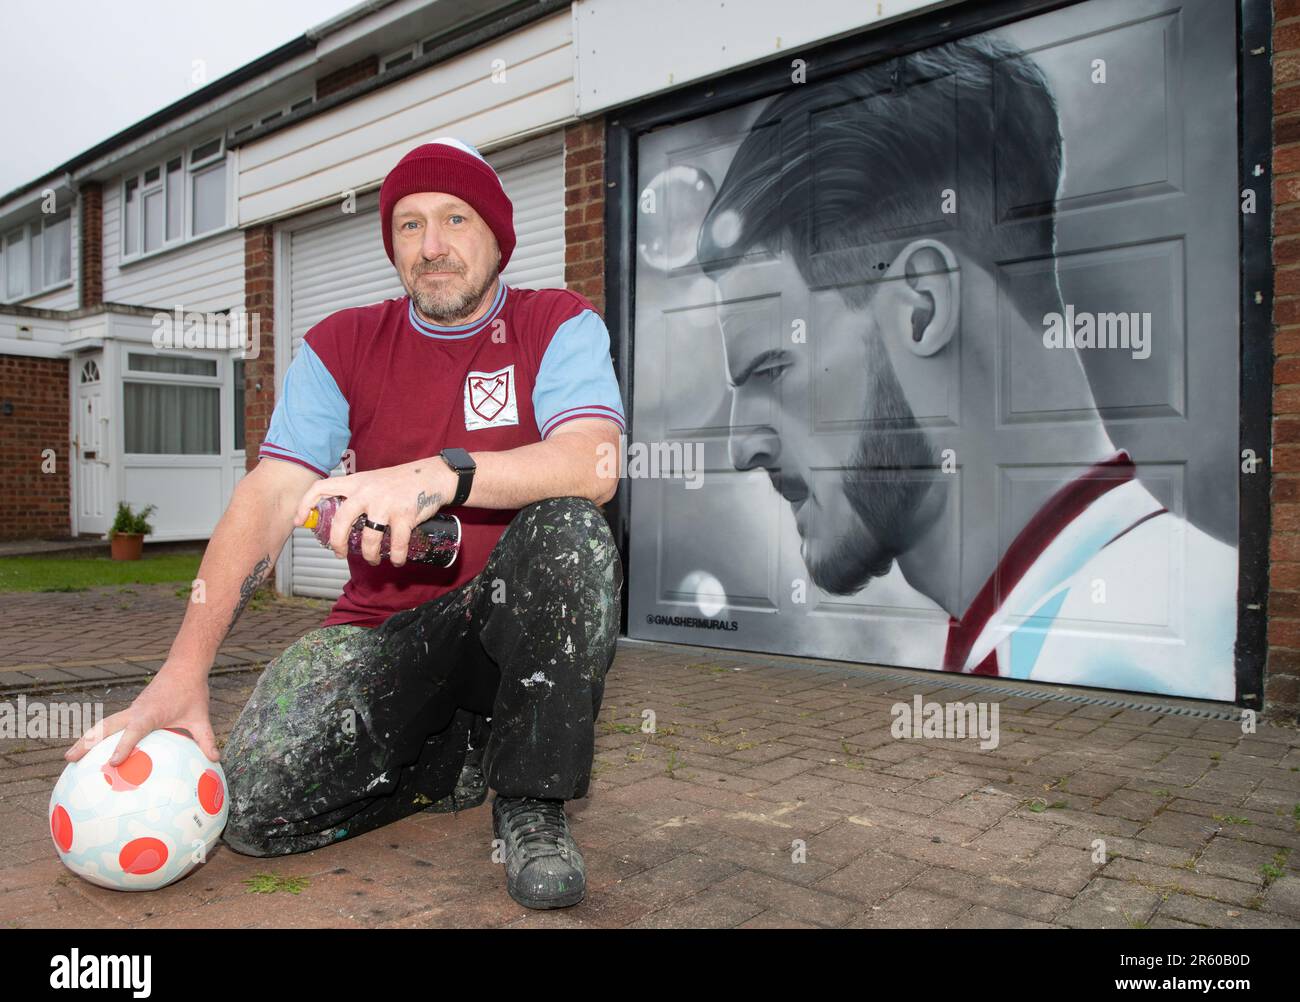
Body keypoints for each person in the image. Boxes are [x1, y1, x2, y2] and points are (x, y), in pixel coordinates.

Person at [64, 137, 627, 910]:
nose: (432, 246)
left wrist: (440, 475)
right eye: (408, 225)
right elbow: (267, 499)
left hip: (505, 631)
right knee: (256, 811)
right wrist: (184, 668)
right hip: (387, 636)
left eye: (456, 220)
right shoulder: (343, 344)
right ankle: (453, 758)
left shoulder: (556, 323)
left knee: (570, 530)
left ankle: (530, 801)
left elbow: (595, 463)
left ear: (498, 239)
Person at [694, 37, 1235, 699]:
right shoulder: (1081, 626)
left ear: (923, 306)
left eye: (773, 370)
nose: (741, 446)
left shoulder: (1115, 669)